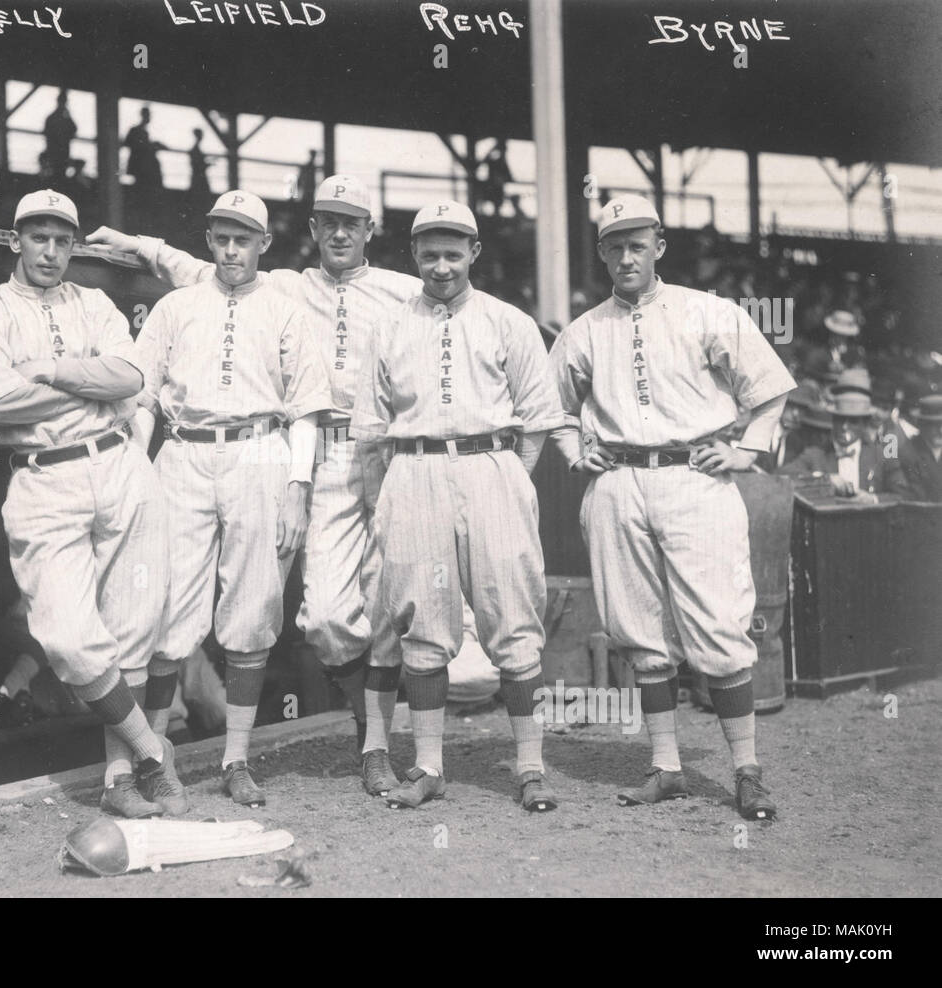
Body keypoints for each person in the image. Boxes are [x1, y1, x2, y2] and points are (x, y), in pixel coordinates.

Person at [86, 175, 422, 797]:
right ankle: (160, 759)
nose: (340, 233)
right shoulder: (270, 289)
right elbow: (187, 284)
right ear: (312, 229)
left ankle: (365, 741)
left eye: (352, 222)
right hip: (244, 449)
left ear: (371, 229)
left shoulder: (399, 292)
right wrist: (136, 242)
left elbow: (461, 317)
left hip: (359, 447)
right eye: (328, 221)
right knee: (224, 615)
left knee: (353, 603)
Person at [550, 194, 796, 821]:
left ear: (659, 246)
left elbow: (769, 391)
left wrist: (745, 450)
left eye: (637, 244)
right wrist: (577, 450)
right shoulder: (583, 330)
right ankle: (667, 767)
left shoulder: (706, 312)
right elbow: (547, 408)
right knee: (640, 632)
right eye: (614, 245)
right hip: (619, 481)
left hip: (694, 477)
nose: (626, 256)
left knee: (718, 624)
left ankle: (747, 771)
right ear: (601, 252)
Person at [0, 189, 185, 819]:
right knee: (65, 635)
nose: (51, 251)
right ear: (16, 241)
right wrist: (93, 381)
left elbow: (134, 379)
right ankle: (149, 753)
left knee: (133, 630)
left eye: (63, 239)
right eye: (39, 236)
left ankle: (119, 779)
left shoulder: (96, 301)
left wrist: (51, 373)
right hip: (43, 477)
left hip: (118, 462)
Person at [352, 200, 566, 811]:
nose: (440, 266)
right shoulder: (389, 326)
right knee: (422, 624)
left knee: (512, 616)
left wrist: (503, 479)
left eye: (452, 253)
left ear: (474, 252)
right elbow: (370, 430)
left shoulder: (509, 321)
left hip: (489, 463)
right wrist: (385, 501)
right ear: (413, 255)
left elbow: (536, 421)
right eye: (429, 253)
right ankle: (428, 766)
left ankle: (529, 766)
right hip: (413, 468)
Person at [130, 190, 333, 807]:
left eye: (243, 238)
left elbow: (306, 409)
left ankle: (236, 759)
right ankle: (153, 757)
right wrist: (137, 468)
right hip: (184, 451)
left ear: (263, 245)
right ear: (209, 239)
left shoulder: (287, 310)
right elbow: (141, 394)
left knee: (252, 610)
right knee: (167, 611)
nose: (230, 249)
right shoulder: (175, 305)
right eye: (221, 236)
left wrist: (298, 488)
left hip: (259, 451)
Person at [780, 391, 902, 497]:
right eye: (840, 419)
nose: (844, 427)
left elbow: (902, 494)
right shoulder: (816, 453)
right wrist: (824, 480)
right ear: (833, 420)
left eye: (853, 422)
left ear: (864, 424)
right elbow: (781, 474)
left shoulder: (880, 455)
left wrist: (873, 499)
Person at [891, 395, 942, 501]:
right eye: (936, 425)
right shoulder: (907, 453)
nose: (941, 431)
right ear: (922, 425)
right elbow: (916, 495)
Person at [124, 105, 163, 192]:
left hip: (140, 166)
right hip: (141, 166)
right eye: (148, 115)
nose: (149, 117)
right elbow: (130, 143)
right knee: (141, 187)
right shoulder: (136, 130)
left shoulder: (140, 131)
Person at [42, 89, 77, 176]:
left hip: (55, 151)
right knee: (59, 171)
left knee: (57, 171)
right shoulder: (61, 118)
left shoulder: (52, 117)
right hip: (60, 150)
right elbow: (74, 129)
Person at [188, 128, 211, 198]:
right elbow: (198, 165)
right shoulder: (195, 148)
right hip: (199, 176)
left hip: (197, 175)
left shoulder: (195, 148)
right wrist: (207, 164)